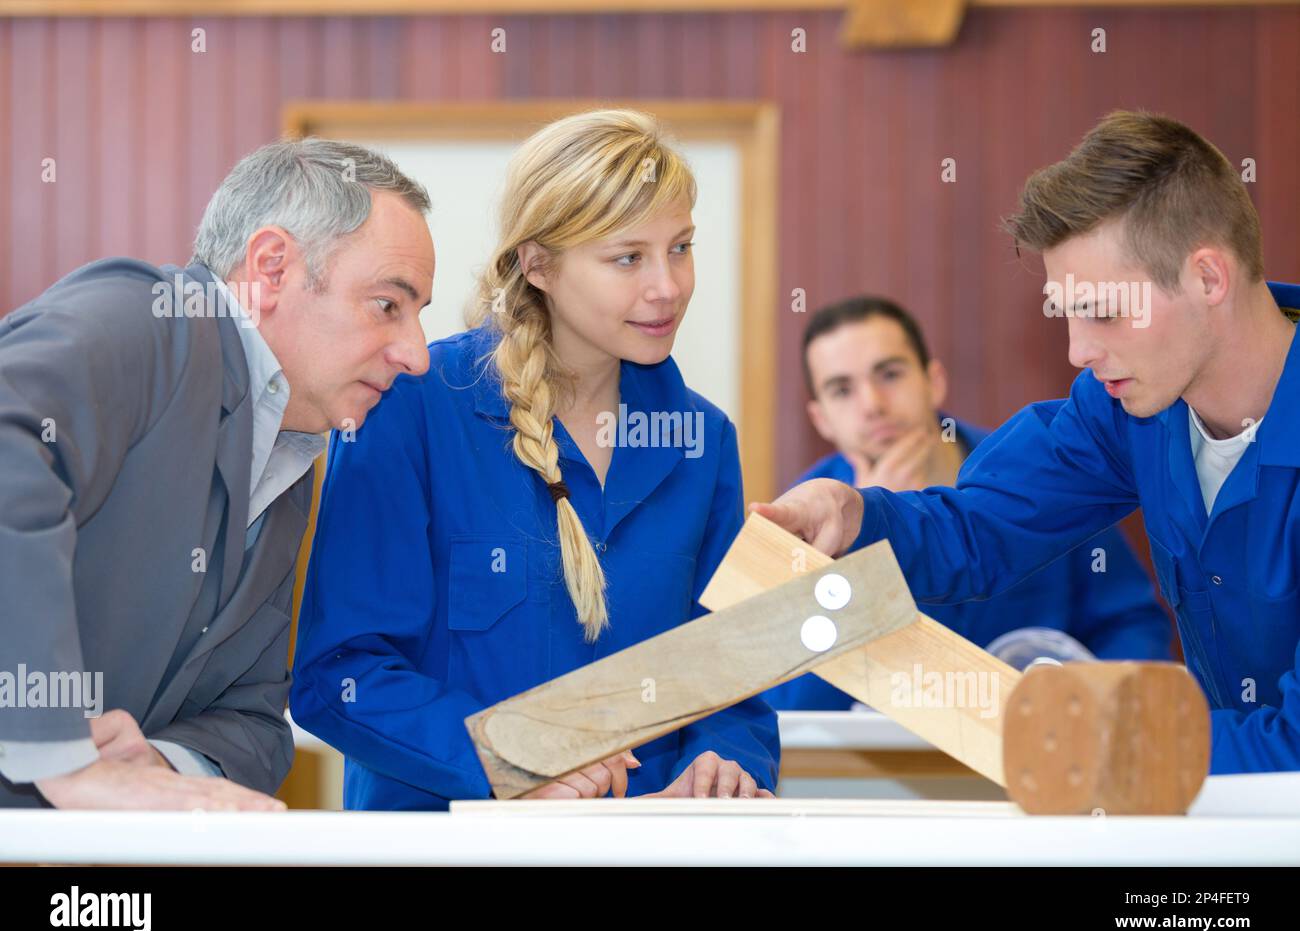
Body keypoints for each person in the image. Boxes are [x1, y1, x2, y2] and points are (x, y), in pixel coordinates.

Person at [753, 110, 1300, 773]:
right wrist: (857, 515)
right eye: (1066, 314)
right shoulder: (1125, 407)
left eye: (1102, 312)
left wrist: (1090, 739)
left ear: (1208, 278)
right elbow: (979, 527)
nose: (1078, 351)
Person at [291, 109, 780, 809]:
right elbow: (341, 676)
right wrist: (510, 758)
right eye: (627, 258)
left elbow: (732, 669)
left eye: (680, 248)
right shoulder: (408, 407)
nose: (667, 286)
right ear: (538, 264)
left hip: (651, 850)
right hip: (448, 849)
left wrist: (727, 756)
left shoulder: (703, 440)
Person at [0, 139, 434, 809]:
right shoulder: (141, 320)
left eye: (418, 315)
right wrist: (59, 753)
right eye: (386, 305)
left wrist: (155, 765)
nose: (417, 355)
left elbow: (252, 716)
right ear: (271, 268)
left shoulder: (290, 455)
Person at [762, 295, 1171, 712]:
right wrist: (862, 564)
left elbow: (1130, 624)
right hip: (877, 750)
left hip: (1038, 740)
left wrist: (1093, 713)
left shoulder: (1034, 478)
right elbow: (788, 705)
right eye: (842, 390)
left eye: (890, 374)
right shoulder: (808, 521)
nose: (872, 405)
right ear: (821, 419)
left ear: (934, 381)